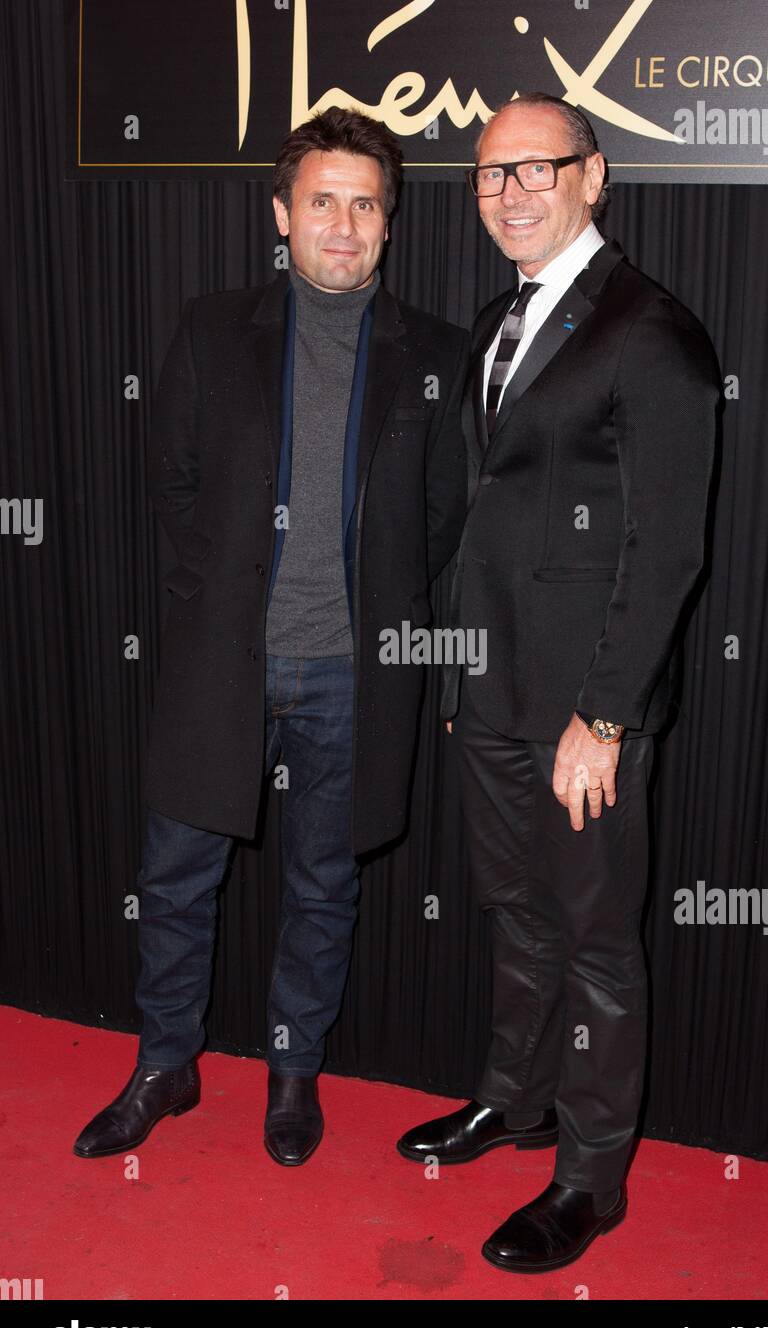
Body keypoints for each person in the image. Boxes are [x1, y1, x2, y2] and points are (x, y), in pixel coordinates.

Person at [74, 108, 469, 1169]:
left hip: (353, 679)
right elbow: (178, 489)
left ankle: (293, 1072)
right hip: (224, 666)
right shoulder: (210, 329)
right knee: (173, 875)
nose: (342, 224)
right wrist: (214, 613)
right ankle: (166, 1062)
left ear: (388, 223)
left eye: (364, 204)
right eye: (321, 201)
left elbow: (441, 516)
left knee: (320, 884)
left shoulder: (433, 353)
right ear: (281, 217)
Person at [397, 94, 721, 1273]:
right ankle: (514, 1100)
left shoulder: (649, 331)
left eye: (536, 168)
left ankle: (589, 1176)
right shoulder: (497, 319)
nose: (511, 192)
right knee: (516, 916)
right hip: (487, 692)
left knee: (593, 943)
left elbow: (667, 548)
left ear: (594, 175)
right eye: (489, 175)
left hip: (584, 712)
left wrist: (604, 716)